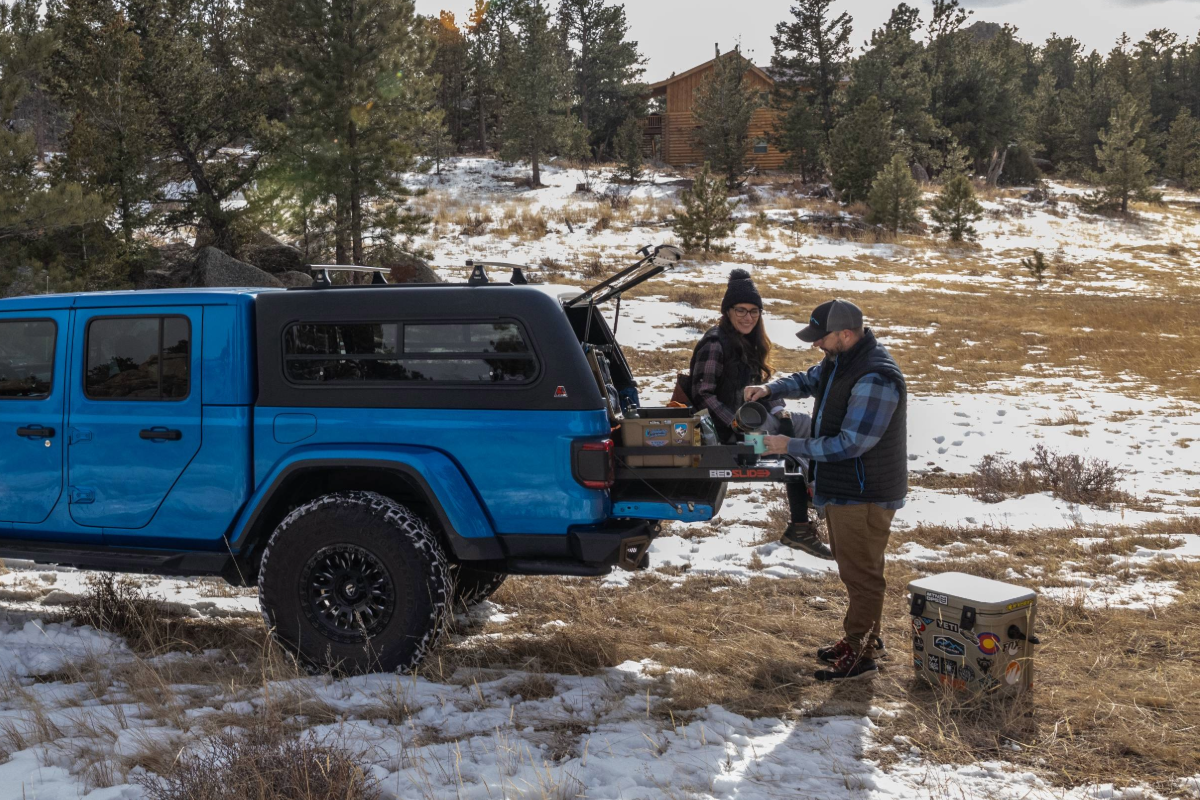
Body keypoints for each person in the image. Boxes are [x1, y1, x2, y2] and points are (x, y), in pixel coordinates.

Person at [744, 299, 908, 682]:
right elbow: (808, 379)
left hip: (863, 493)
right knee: (857, 570)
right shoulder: (843, 360)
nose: (816, 344)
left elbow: (851, 444)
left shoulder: (875, 378)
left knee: (861, 574)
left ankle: (861, 655)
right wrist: (769, 389)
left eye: (821, 337)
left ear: (845, 334)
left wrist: (789, 445)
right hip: (848, 487)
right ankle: (862, 641)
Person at [686, 269, 815, 548]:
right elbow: (702, 394)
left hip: (753, 422)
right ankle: (810, 511)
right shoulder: (715, 343)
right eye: (741, 310)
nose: (748, 317)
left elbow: (761, 388)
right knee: (795, 442)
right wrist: (735, 423)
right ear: (727, 311)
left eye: (754, 311)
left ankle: (808, 510)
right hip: (729, 436)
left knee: (810, 426)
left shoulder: (750, 343)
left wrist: (781, 412)